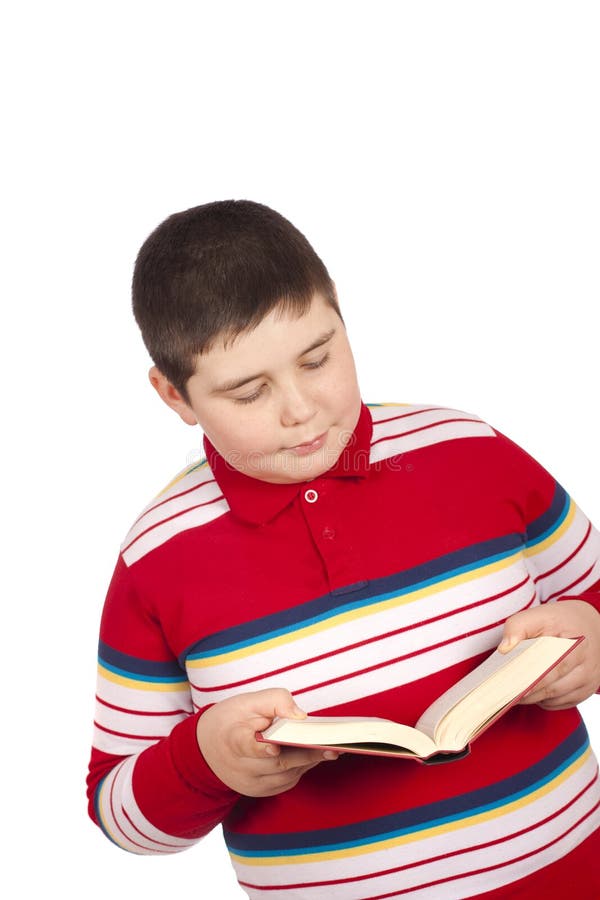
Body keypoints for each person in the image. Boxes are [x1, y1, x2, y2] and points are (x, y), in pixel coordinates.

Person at [87, 199, 600, 898]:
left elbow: (592, 596)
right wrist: (206, 761)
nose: (301, 409)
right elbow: (120, 815)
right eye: (248, 391)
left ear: (341, 319)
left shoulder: (470, 452)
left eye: (318, 358)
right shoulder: (156, 558)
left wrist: (591, 642)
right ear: (174, 394)